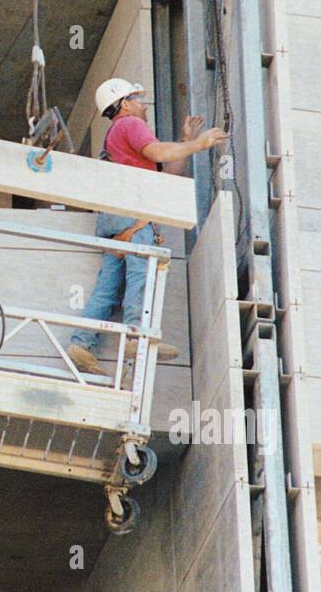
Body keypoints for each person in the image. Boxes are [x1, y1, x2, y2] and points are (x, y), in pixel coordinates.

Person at [66, 78, 228, 375]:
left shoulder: (116, 136)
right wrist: (198, 143)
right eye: (138, 99)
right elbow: (157, 154)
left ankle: (81, 342)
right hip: (132, 212)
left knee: (110, 285)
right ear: (124, 104)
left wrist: (184, 142)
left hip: (113, 217)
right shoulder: (129, 124)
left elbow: (166, 173)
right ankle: (135, 335)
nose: (143, 104)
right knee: (141, 273)